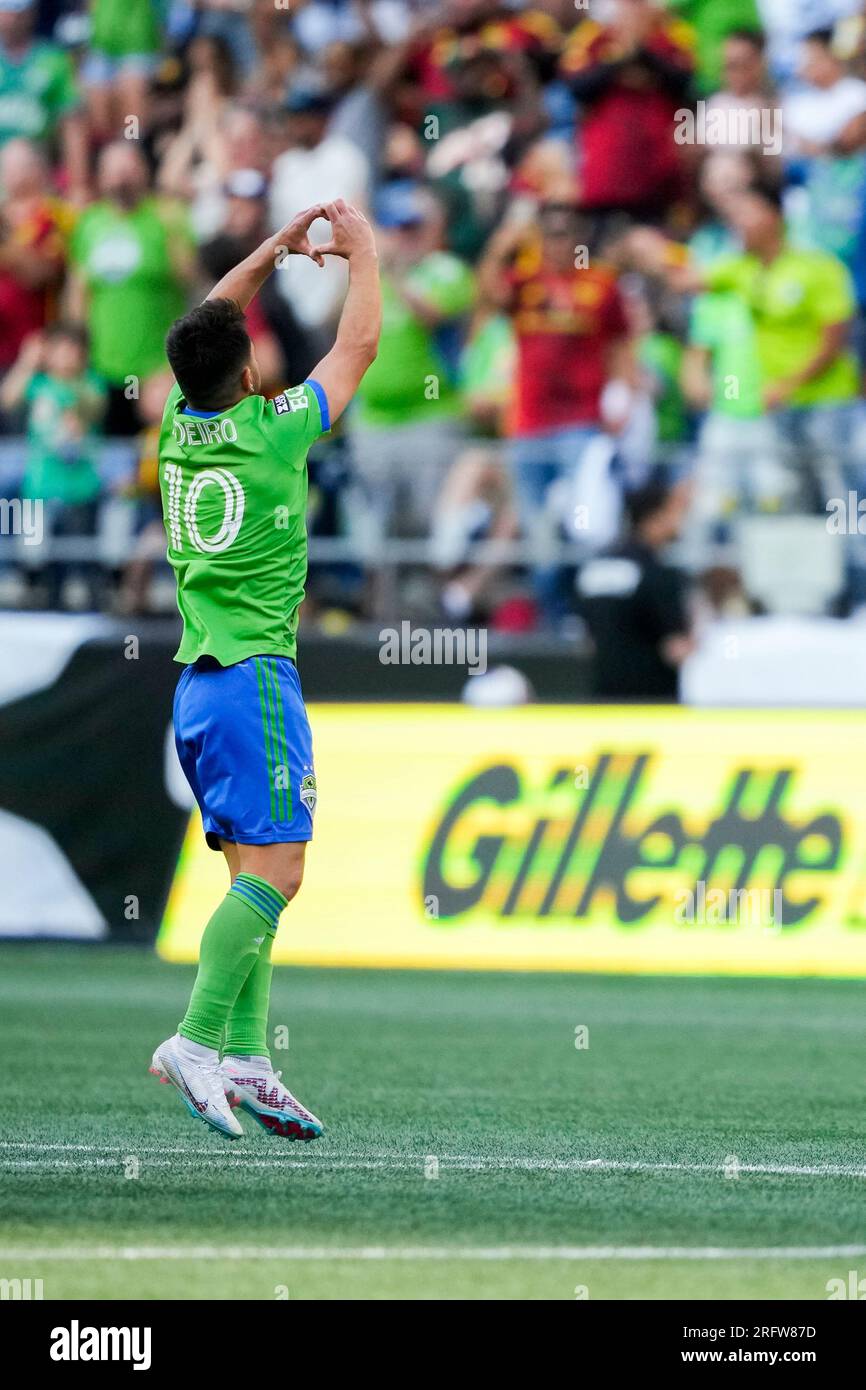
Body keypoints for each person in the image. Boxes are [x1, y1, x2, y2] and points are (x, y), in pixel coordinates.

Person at [149, 198, 381, 1140]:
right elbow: (356, 351)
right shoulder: (275, 428)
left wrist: (271, 251)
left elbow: (203, 321)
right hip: (254, 679)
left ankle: (246, 1056)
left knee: (253, 867)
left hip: (197, 687)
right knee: (280, 874)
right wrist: (361, 255)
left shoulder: (173, 424)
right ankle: (198, 1042)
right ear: (249, 374)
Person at [479, 199, 634, 624]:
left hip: (582, 424)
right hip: (528, 424)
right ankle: (553, 617)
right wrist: (501, 245)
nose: (557, 243)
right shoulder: (524, 282)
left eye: (566, 233)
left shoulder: (602, 285)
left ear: (580, 238)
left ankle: (589, 616)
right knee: (539, 531)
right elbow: (489, 295)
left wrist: (624, 396)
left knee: (585, 525)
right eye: (549, 234)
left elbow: (621, 345)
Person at [68, 141, 196, 435]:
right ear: (100, 177)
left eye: (128, 170)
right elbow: (78, 291)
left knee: (157, 456)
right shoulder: (89, 223)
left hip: (158, 366)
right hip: (103, 365)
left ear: (143, 172)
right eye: (113, 172)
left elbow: (190, 281)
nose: (121, 179)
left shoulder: (167, 217)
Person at [576, 479, 693, 699]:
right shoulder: (656, 573)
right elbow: (676, 648)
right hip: (651, 704)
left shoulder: (593, 568)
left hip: (603, 699)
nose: (680, 520)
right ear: (654, 518)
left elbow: (588, 642)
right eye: (673, 511)